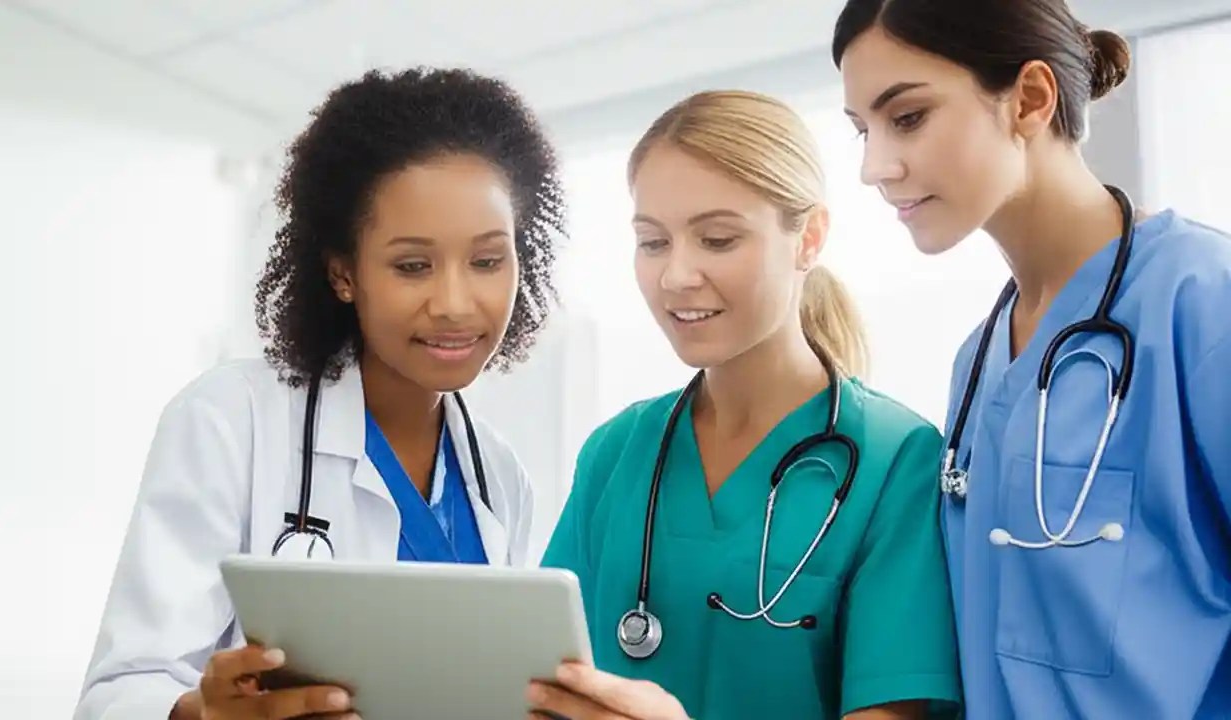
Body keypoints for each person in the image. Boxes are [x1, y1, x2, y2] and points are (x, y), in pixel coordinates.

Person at [73, 67, 567, 720]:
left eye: (486, 261)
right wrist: (202, 713)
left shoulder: (499, 479)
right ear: (343, 274)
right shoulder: (230, 421)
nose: (455, 303)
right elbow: (115, 696)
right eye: (412, 265)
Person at [832, 1, 1231, 718]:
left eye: (908, 118)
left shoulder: (1202, 303)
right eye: (863, 130)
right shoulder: (979, 360)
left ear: (1031, 98)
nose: (874, 166)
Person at [530, 90, 961, 720]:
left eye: (717, 239)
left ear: (808, 238)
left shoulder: (897, 459)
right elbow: (542, 686)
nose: (676, 275)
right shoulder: (616, 453)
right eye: (653, 242)